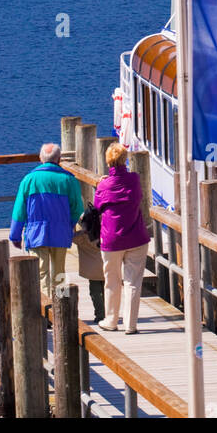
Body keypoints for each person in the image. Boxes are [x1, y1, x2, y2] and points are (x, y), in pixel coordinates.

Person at [9, 143, 83, 304]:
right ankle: (62, 309)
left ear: (40, 158)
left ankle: (44, 310)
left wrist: (15, 235)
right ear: (59, 159)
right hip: (61, 233)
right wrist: (69, 225)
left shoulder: (29, 180)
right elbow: (78, 208)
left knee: (41, 274)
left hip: (36, 233)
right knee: (60, 273)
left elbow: (19, 210)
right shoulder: (69, 180)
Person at [94, 141, 150, 334]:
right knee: (133, 282)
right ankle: (130, 324)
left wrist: (101, 183)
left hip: (111, 240)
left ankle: (111, 320)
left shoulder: (104, 185)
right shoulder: (134, 179)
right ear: (125, 160)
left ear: (108, 161)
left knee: (112, 280)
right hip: (136, 237)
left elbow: (98, 205)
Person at [73, 209, 105, 322]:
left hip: (92, 273)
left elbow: (70, 236)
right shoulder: (105, 234)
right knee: (107, 291)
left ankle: (100, 314)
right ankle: (108, 312)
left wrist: (77, 226)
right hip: (107, 268)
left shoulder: (82, 238)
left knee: (95, 293)